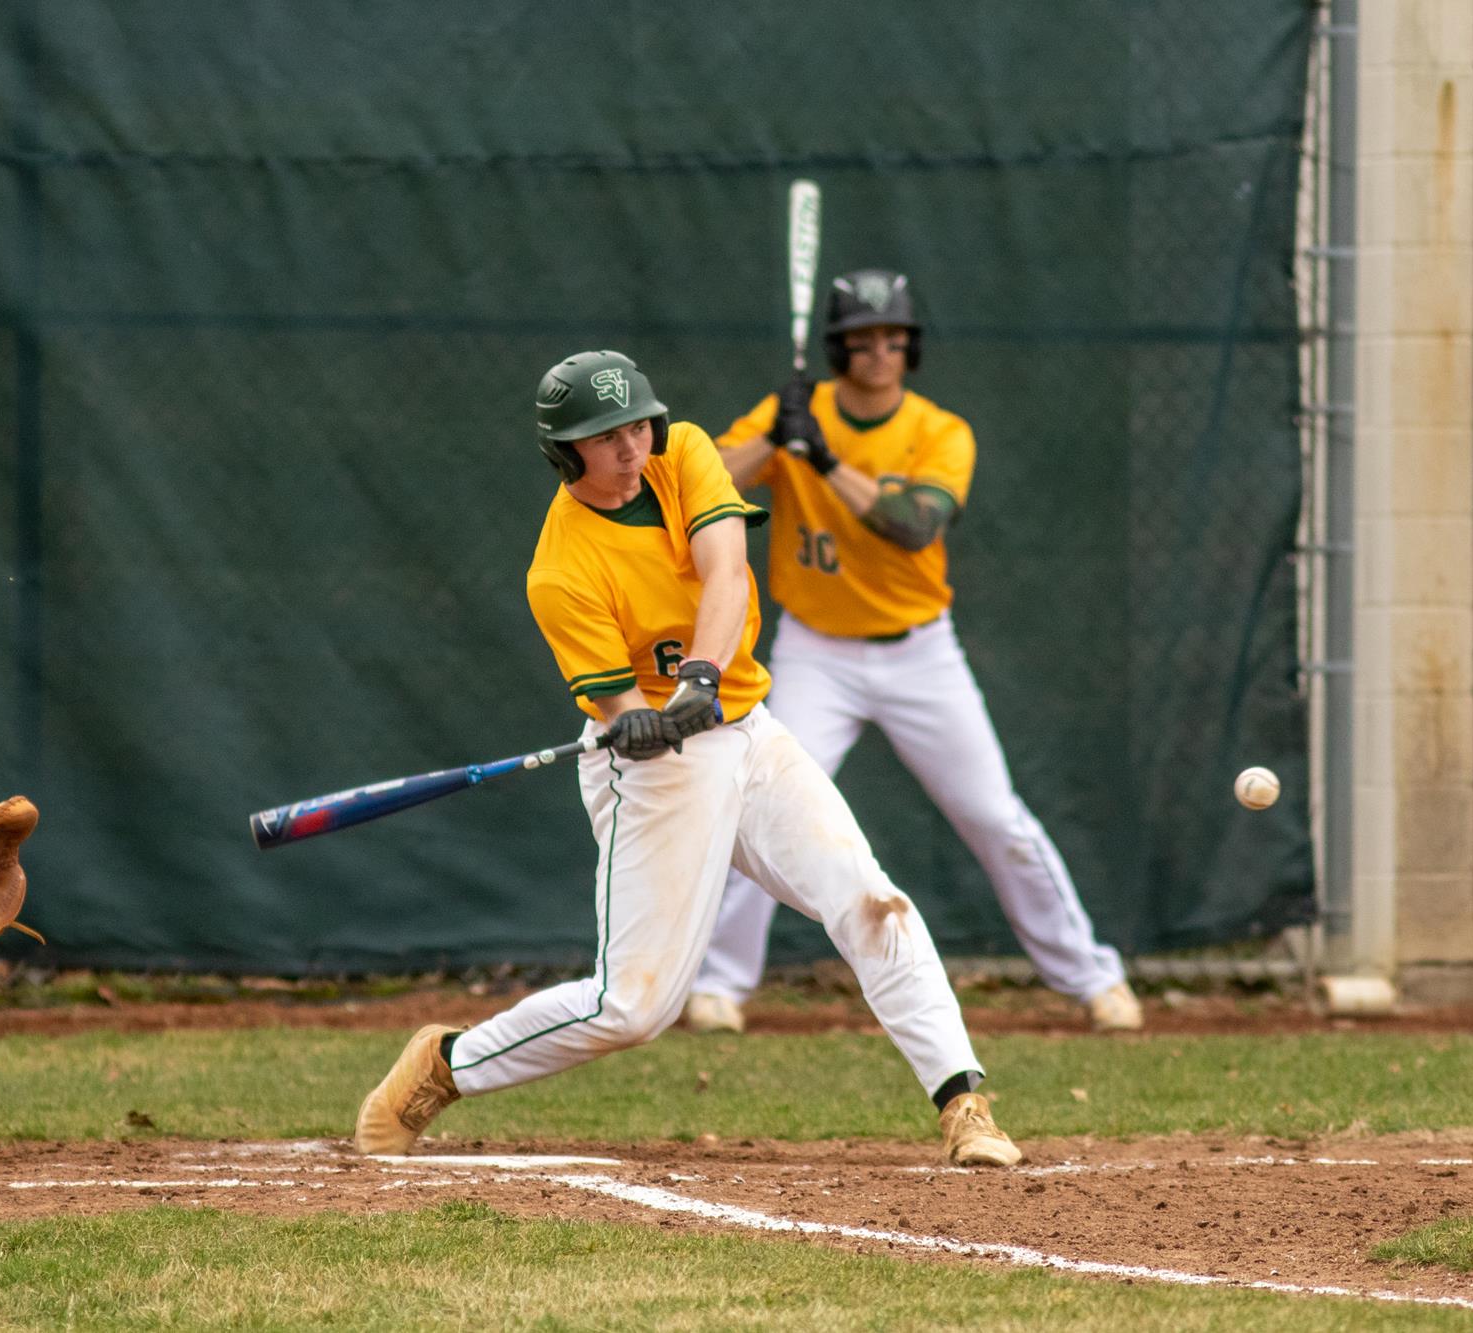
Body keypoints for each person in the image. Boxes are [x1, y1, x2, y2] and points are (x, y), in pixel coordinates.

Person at [354, 350, 1021, 1167]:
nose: (631, 447)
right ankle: (447, 1063)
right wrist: (637, 718)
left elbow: (727, 569)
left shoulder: (686, 454)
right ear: (567, 452)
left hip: (747, 728)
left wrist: (699, 677)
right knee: (633, 1007)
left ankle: (963, 1102)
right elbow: (621, 707)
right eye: (605, 437)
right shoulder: (560, 570)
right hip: (655, 772)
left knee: (871, 899)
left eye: (637, 425)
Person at [683, 269, 1139, 1037]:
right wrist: (774, 438)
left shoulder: (939, 430)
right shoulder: (795, 413)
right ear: (838, 349)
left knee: (996, 818)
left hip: (919, 653)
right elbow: (705, 486)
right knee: (765, 814)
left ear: (911, 347)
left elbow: (913, 525)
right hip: (814, 653)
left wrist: (823, 460)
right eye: (863, 341)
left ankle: (1095, 978)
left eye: (894, 338)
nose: (880, 354)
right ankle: (720, 985)